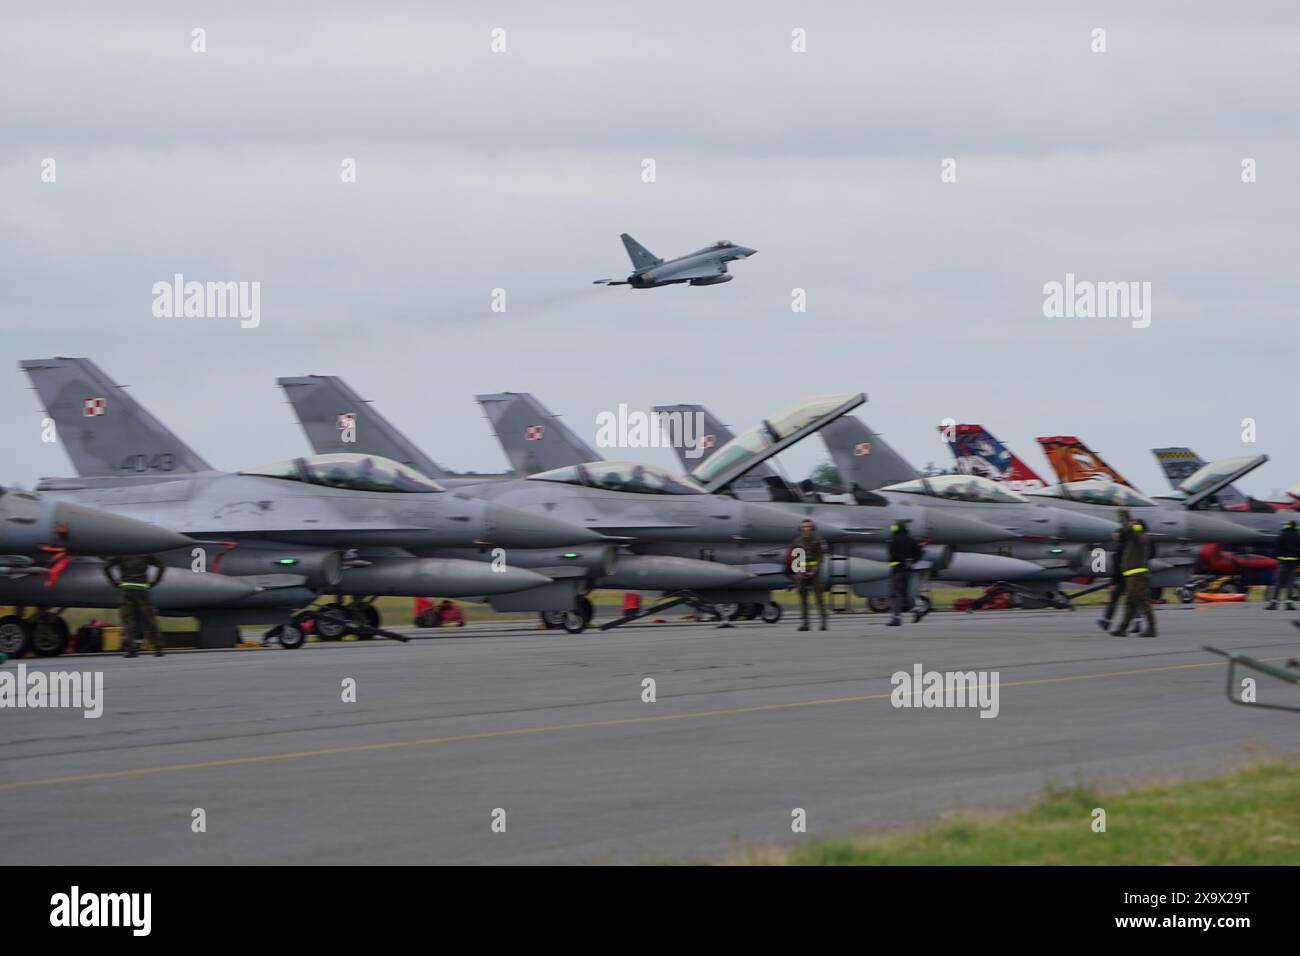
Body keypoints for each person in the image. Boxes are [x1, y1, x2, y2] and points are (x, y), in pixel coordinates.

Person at [102, 553, 167, 657]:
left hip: (126, 589)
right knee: (149, 618)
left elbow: (105, 567)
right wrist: (155, 582)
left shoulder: (121, 552)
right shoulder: (145, 552)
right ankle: (158, 647)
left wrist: (113, 582)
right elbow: (161, 565)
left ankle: (131, 649)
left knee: (128, 619)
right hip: (142, 589)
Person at [1111, 519, 1156, 638]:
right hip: (1132, 577)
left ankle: (1152, 628)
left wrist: (1123, 513)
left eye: (1135, 526)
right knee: (1129, 604)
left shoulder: (1141, 539)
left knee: (1143, 602)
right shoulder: (1135, 541)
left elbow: (1129, 528)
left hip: (1137, 577)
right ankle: (1122, 629)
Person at [788, 518, 829, 631]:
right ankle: (805, 623)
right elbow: (795, 558)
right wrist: (799, 572)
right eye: (804, 527)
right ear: (800, 529)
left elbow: (820, 558)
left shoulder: (818, 541)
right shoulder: (797, 541)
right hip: (802, 572)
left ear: (812, 528)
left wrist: (813, 571)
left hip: (815, 573)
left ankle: (823, 622)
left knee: (819, 598)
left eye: (808, 527)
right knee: (803, 599)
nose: (806, 529)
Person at [1097, 509, 1132, 631]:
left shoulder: (1119, 548)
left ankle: (1106, 621)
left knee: (1114, 601)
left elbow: (1117, 567)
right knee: (1134, 601)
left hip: (1121, 579)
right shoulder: (1133, 546)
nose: (1114, 536)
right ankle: (1138, 622)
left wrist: (1113, 582)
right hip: (1133, 577)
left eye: (1116, 534)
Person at [887, 521, 926, 627]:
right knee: (905, 593)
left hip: (897, 569)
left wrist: (899, 561)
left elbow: (892, 553)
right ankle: (917, 611)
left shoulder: (894, 539)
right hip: (908, 570)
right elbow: (920, 553)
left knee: (896, 594)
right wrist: (912, 561)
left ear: (896, 528)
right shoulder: (911, 539)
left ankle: (896, 618)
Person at [1266, 519, 1299, 611]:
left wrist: (1279, 557)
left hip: (1282, 563)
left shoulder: (1281, 536)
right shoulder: (1297, 536)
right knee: (1290, 584)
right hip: (1293, 564)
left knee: (1278, 583)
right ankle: (1289, 604)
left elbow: (1276, 548)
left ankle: (1273, 603)